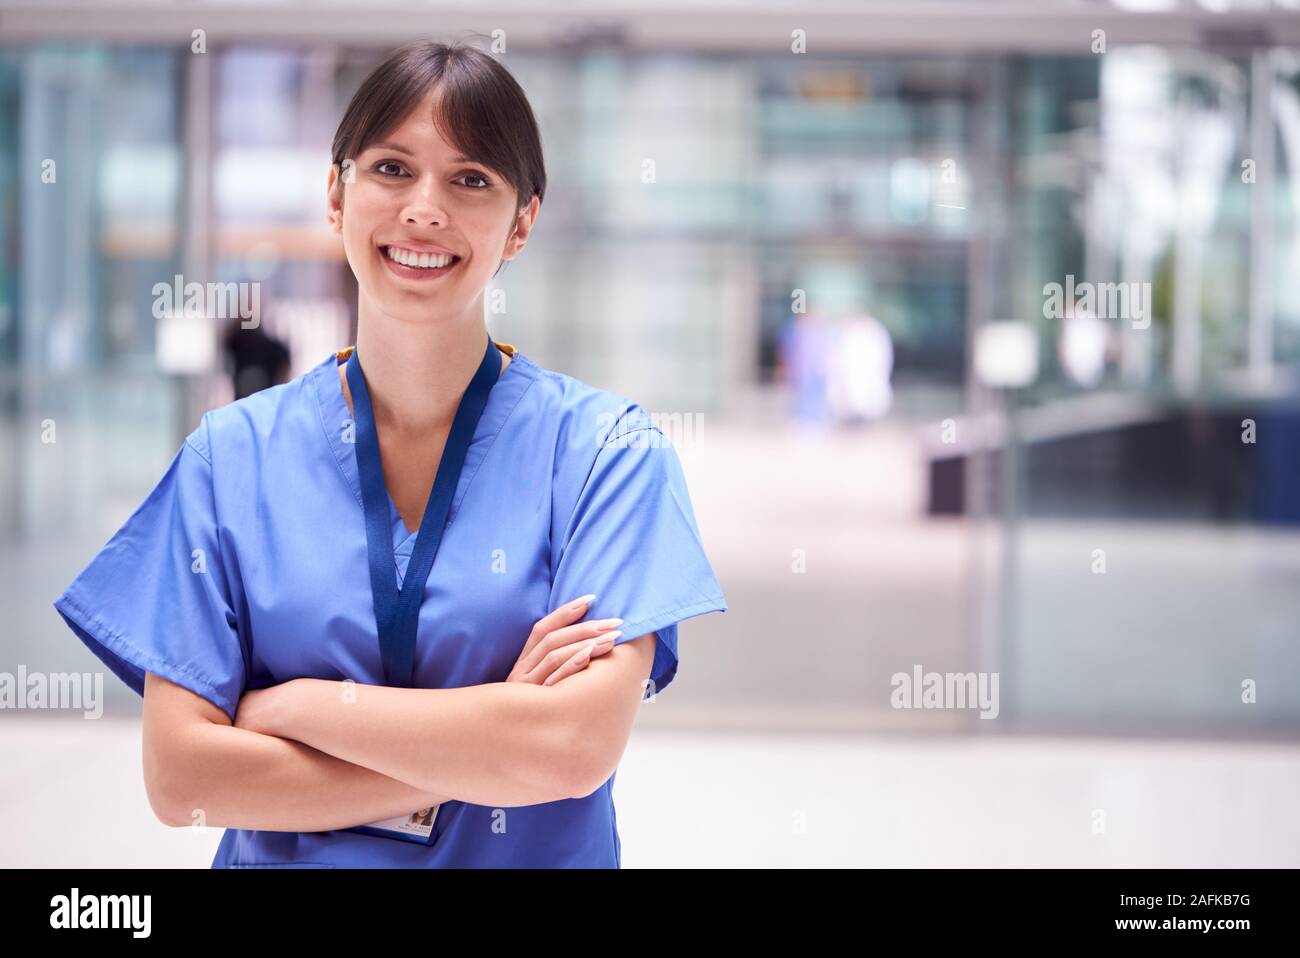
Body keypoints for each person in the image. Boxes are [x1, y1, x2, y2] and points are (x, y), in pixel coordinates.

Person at [51, 40, 727, 868]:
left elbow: (571, 750)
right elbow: (184, 780)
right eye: (392, 169)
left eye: (472, 178)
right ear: (336, 195)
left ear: (522, 224)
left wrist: (296, 706)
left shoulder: (606, 454)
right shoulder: (230, 459)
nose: (425, 209)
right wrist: (488, 742)